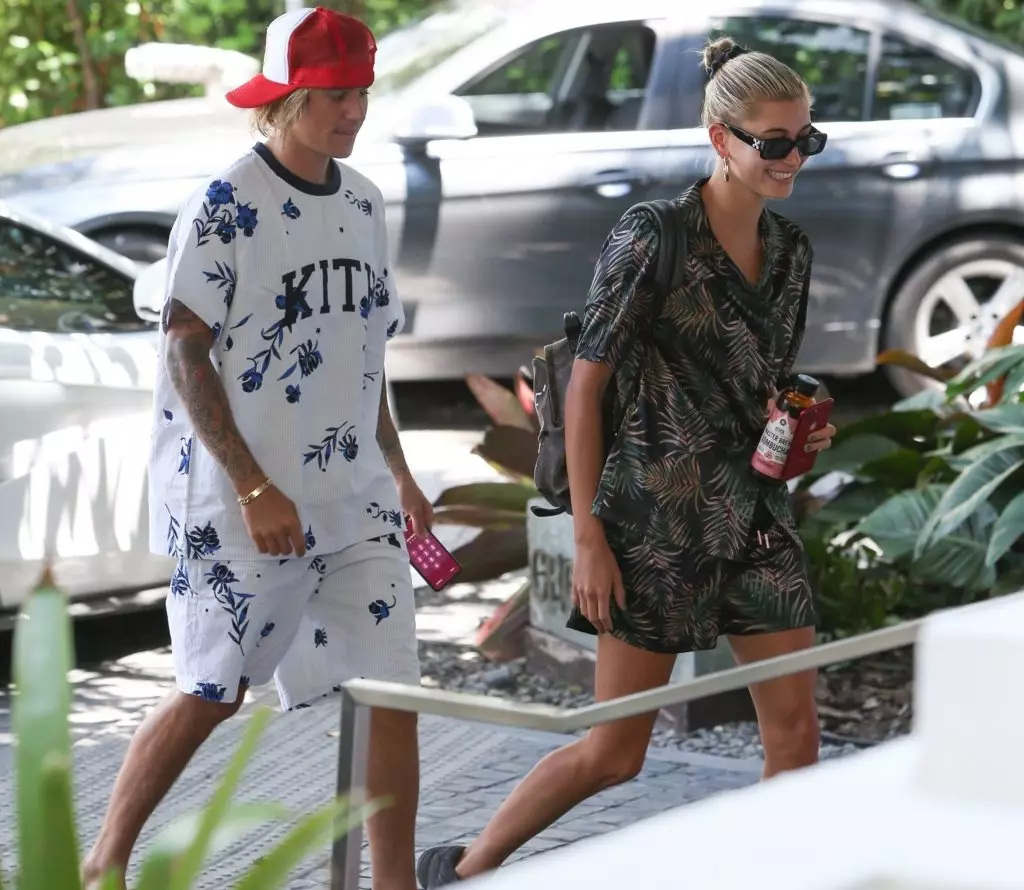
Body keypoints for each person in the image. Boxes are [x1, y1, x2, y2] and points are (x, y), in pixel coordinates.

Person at [416, 35, 838, 887]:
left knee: (796, 739)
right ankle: (464, 869)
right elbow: (583, 387)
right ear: (721, 138)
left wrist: (796, 428)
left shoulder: (791, 251)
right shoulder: (653, 235)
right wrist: (588, 536)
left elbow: (763, 377)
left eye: (806, 140)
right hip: (650, 521)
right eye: (775, 141)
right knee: (616, 753)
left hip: (752, 514)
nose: (793, 158)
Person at [82, 8, 430, 890]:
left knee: (393, 695)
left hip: (353, 497)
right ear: (283, 99)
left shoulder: (364, 202)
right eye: (332, 96)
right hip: (245, 501)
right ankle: (104, 860)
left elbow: (364, 352)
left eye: (360, 93)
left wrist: (400, 471)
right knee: (213, 690)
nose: (352, 112)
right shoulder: (227, 202)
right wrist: (250, 488)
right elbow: (184, 346)